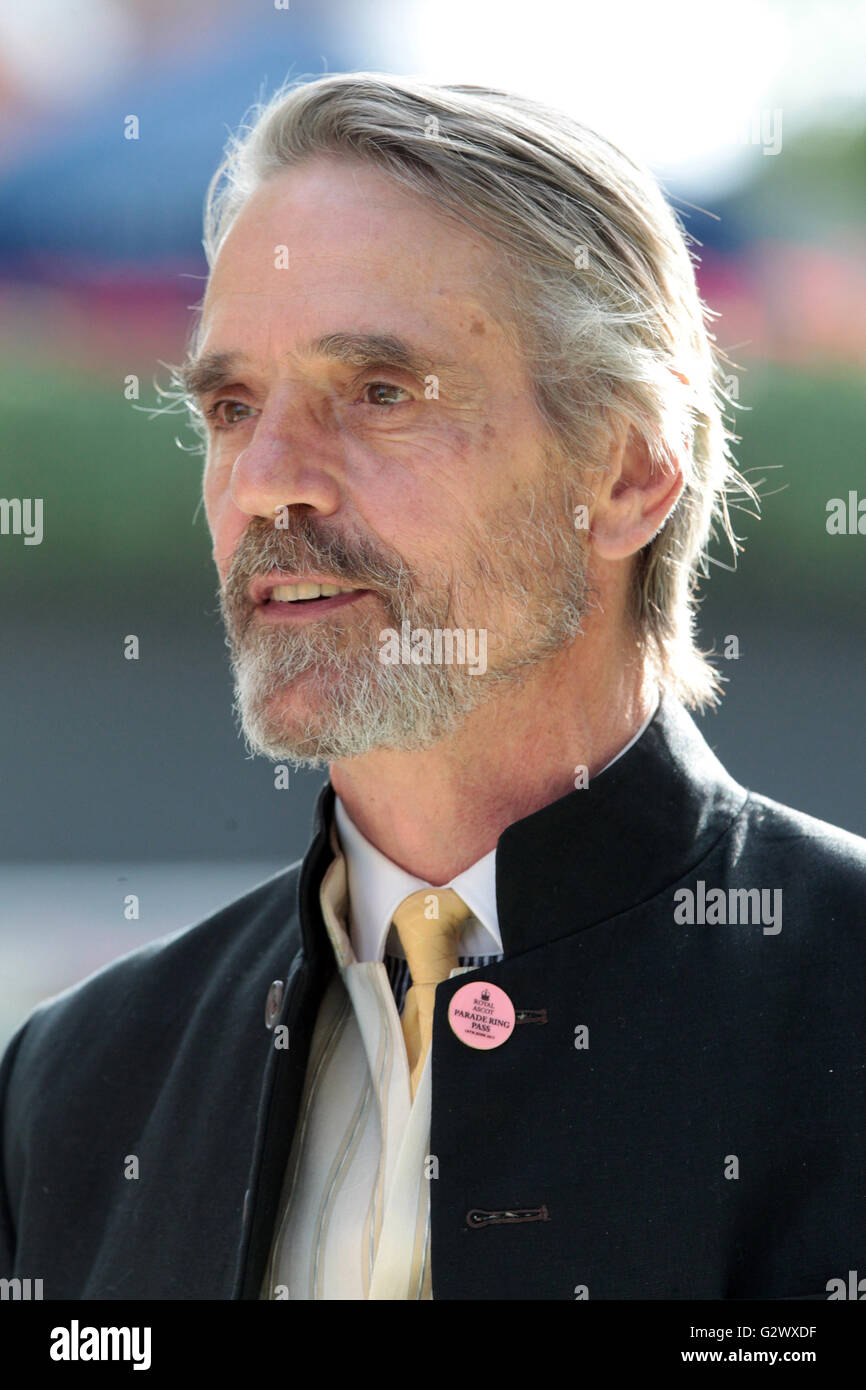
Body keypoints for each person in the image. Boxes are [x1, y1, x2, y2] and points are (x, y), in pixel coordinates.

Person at [2, 73, 864, 1302]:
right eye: (232, 407)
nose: (267, 480)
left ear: (624, 473)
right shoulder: (77, 1088)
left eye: (380, 393)